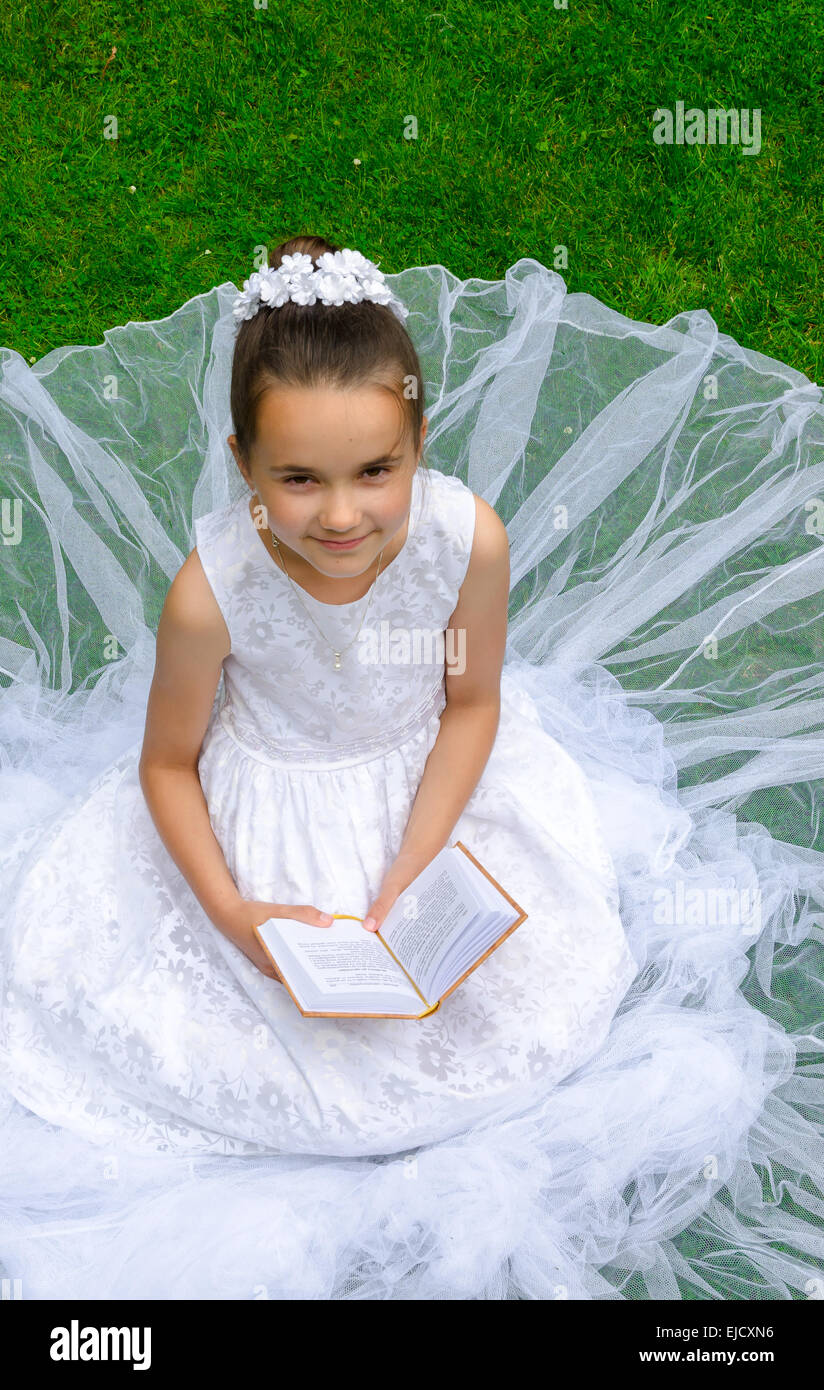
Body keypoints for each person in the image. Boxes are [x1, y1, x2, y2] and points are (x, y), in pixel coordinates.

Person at [0, 236, 821, 1300]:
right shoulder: (214, 593)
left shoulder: (463, 540)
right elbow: (165, 766)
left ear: (418, 442)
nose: (340, 516)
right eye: (297, 479)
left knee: (496, 1011)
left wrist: (409, 876)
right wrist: (237, 915)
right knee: (257, 1061)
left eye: (375, 472)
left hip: (429, 789)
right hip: (260, 819)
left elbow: (470, 702)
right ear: (243, 461)